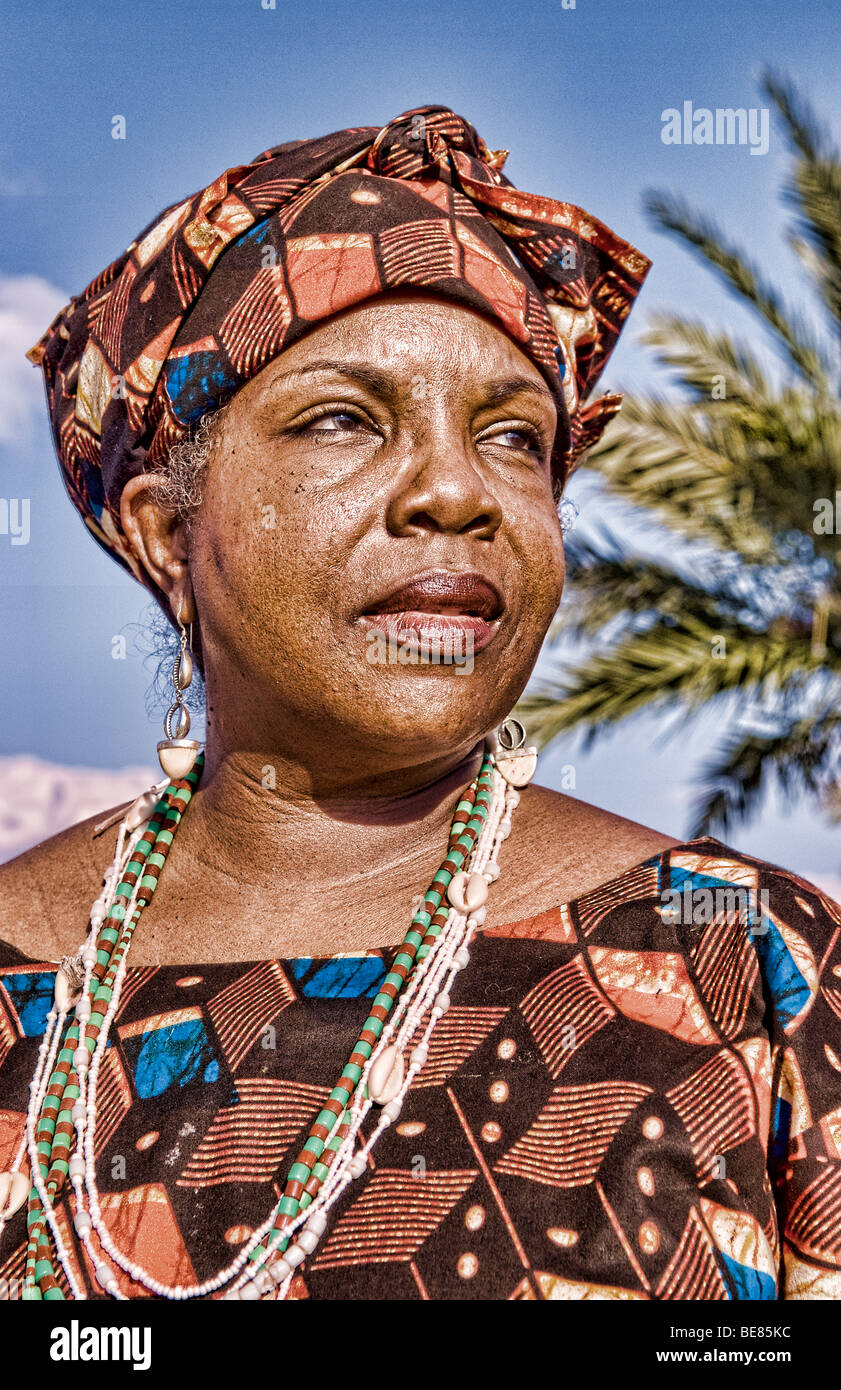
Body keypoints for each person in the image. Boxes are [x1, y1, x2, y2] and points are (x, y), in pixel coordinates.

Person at [0, 106, 838, 1302]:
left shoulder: (744, 968)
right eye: (343, 418)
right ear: (167, 536)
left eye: (512, 435)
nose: (456, 490)